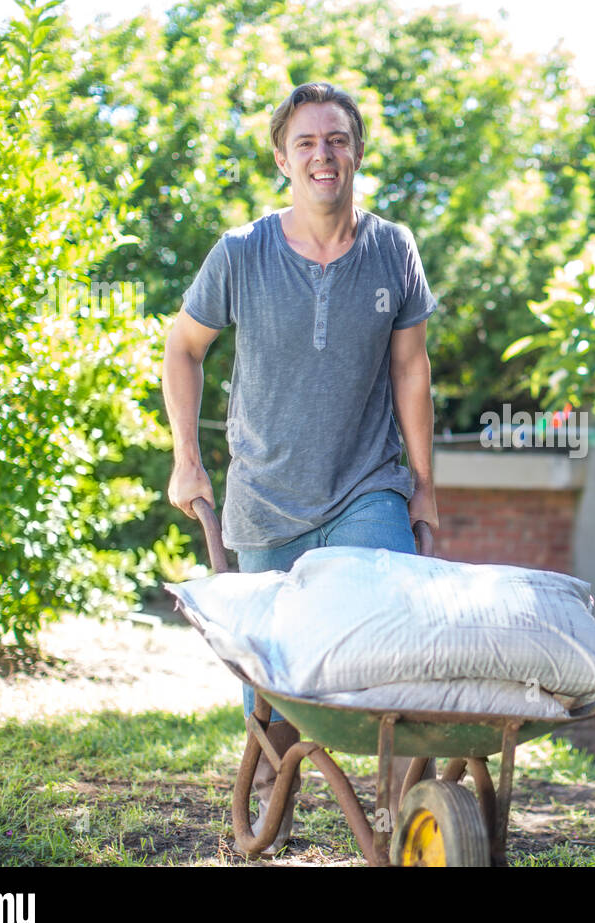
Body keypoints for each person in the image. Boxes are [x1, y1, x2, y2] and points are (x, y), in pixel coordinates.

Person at [161, 82, 439, 856]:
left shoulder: (393, 250)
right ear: (282, 158)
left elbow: (411, 370)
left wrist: (424, 485)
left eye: (338, 139)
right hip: (265, 500)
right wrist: (189, 460)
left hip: (366, 486)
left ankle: (400, 812)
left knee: (393, 648)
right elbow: (183, 347)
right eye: (308, 143)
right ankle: (270, 811)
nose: (325, 155)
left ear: (357, 152)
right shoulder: (241, 254)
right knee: (274, 691)